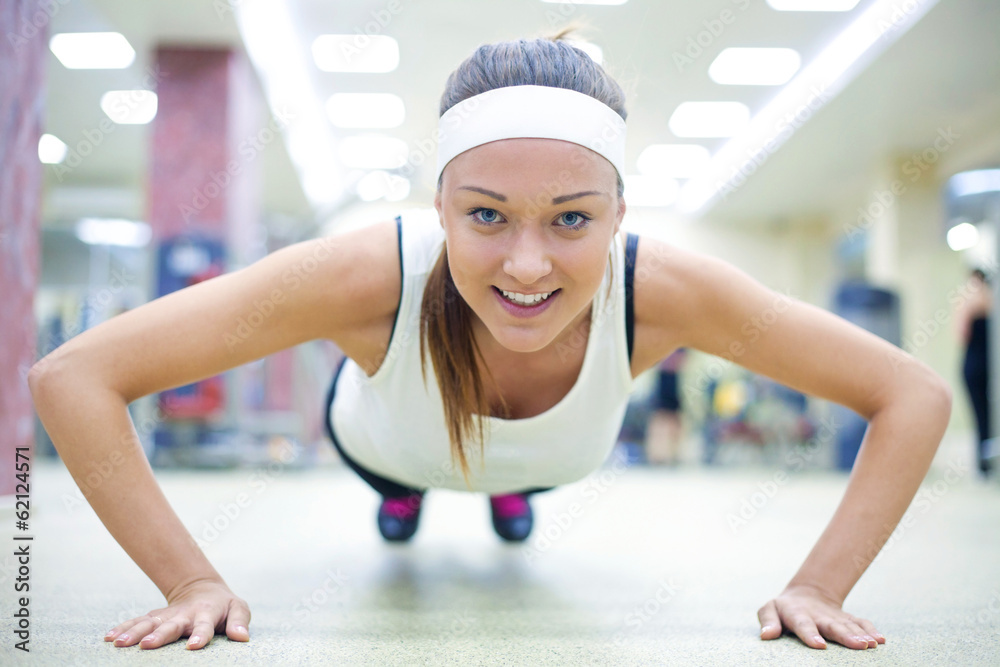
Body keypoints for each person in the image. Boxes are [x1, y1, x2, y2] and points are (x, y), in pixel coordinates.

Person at [28, 30, 953, 653]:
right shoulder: (366, 275)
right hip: (383, 447)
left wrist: (821, 587)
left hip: (545, 461)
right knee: (400, 486)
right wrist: (189, 579)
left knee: (517, 484)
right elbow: (77, 375)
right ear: (438, 208)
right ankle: (404, 500)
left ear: (621, 214)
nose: (525, 263)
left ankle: (510, 495)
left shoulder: (661, 288)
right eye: (485, 214)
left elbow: (912, 393)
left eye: (571, 220)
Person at [956, 267, 994, 477]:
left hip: (974, 365)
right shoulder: (990, 301)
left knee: (981, 415)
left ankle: (984, 465)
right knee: (985, 415)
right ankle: (984, 463)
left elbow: (961, 333)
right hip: (984, 365)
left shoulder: (968, 302)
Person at [644, 347, 687, 465]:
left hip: (674, 384)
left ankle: (673, 453)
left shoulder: (681, 347)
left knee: (674, 422)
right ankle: (656, 454)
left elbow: (681, 362)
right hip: (663, 383)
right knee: (660, 422)